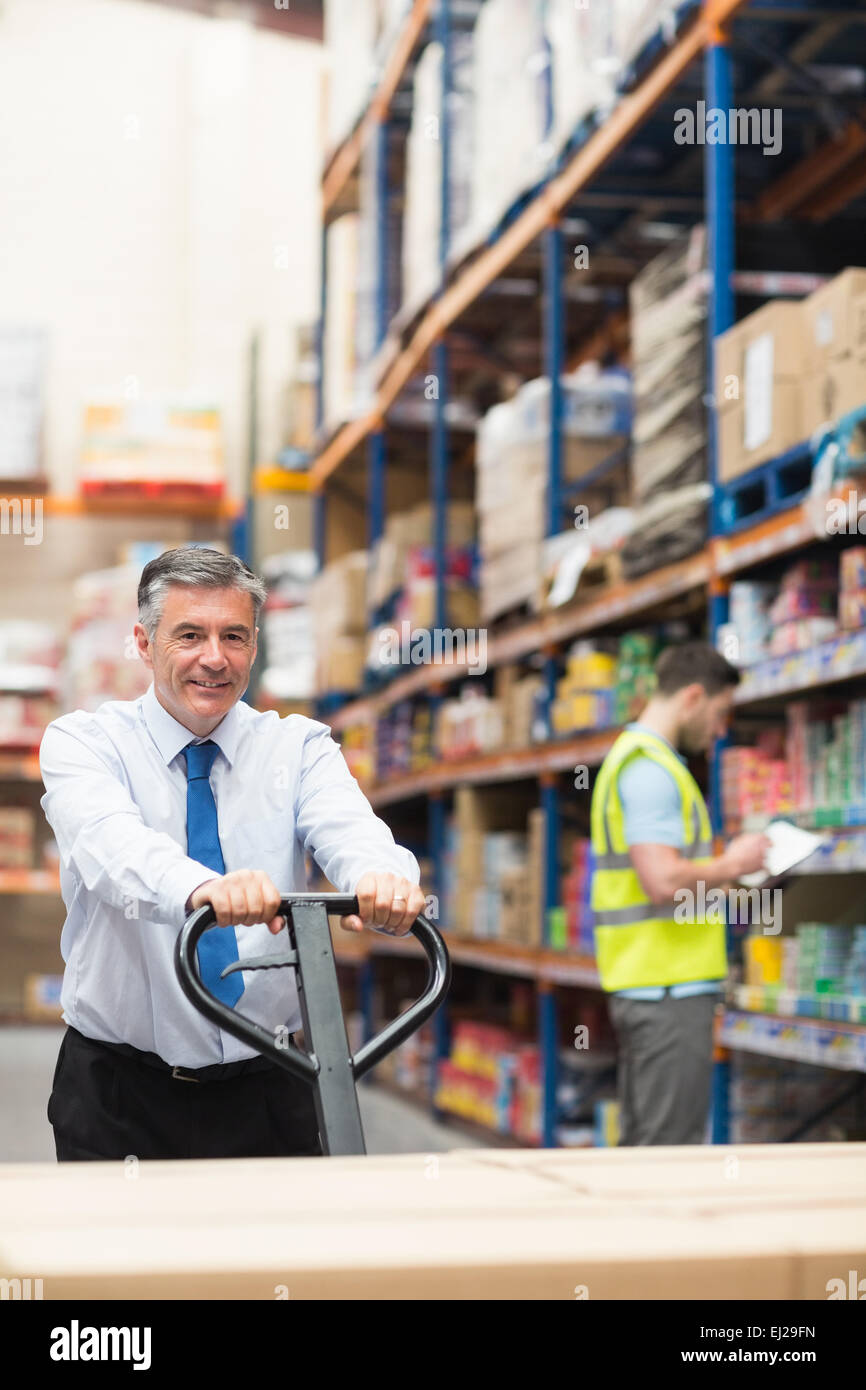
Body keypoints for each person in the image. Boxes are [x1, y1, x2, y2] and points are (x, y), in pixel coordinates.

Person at [40, 547, 427, 1162]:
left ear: (254, 646)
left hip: (271, 1084)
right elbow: (110, 846)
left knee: (275, 1257)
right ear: (143, 644)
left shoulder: (298, 747)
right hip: (119, 1092)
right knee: (123, 1258)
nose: (214, 658)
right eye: (189, 635)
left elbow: (352, 830)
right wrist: (201, 890)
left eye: (234, 636)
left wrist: (382, 878)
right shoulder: (85, 744)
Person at [590, 641, 770, 1146]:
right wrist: (736, 863)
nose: (720, 729)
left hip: (652, 984)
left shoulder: (641, 760)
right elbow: (663, 880)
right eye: (720, 713)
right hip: (666, 989)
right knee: (667, 1153)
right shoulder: (650, 770)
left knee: (648, 1148)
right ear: (693, 697)